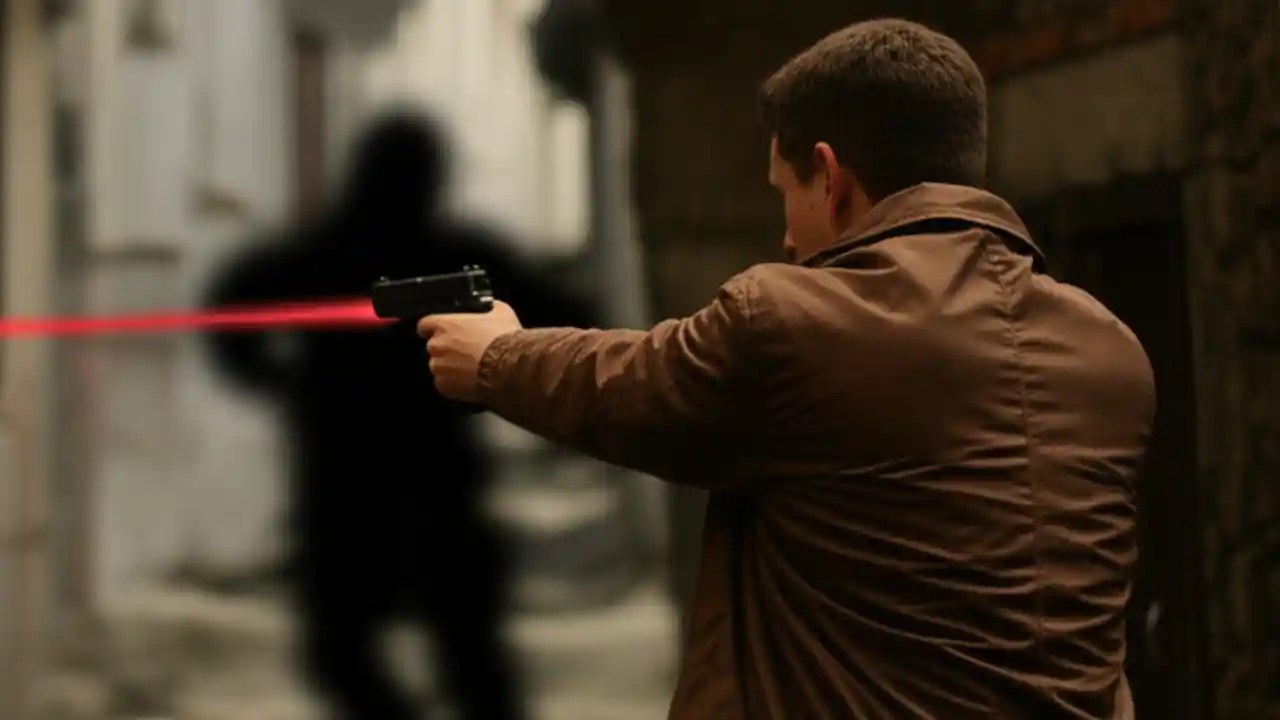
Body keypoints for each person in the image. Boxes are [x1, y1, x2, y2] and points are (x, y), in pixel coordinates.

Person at [416, 18, 1152, 720]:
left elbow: (638, 385)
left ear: (830, 176)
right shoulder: (1110, 348)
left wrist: (494, 356)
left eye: (786, 193)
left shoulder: (797, 324)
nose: (787, 235)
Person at [204, 109, 591, 720]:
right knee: (464, 660)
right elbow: (567, 321)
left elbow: (231, 311)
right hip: (422, 487)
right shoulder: (455, 256)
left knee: (362, 657)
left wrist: (281, 383)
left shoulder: (323, 254)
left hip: (357, 490)